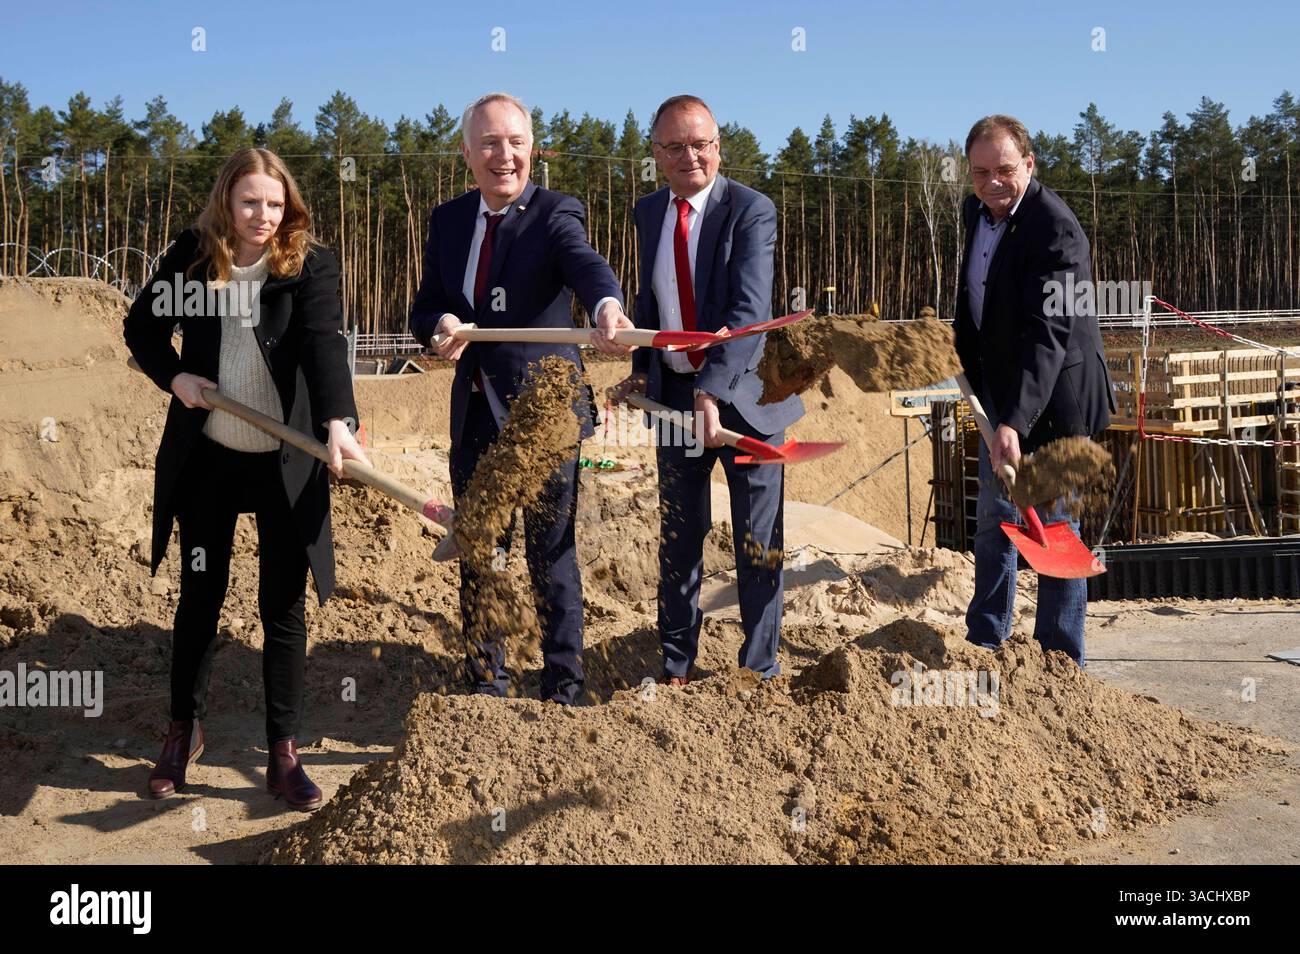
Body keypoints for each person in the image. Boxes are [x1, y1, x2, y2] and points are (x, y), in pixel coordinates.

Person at [124, 147, 369, 809]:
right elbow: (141, 327)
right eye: (249, 202)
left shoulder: (312, 264)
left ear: (288, 204)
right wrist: (175, 377)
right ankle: (182, 730)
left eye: (274, 202)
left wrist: (340, 421)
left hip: (285, 464)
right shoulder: (193, 257)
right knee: (200, 596)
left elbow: (324, 344)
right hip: (209, 458)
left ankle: (283, 752)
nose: (263, 215)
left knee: (282, 607)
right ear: (227, 203)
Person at [409, 92, 631, 704]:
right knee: (482, 549)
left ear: (532, 148)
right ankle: (488, 682)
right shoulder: (448, 221)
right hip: (477, 407)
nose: (504, 155)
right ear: (467, 152)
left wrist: (607, 304)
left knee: (550, 549)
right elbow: (425, 304)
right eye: (489, 143)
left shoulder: (555, 211)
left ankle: (565, 683)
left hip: (544, 415)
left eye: (515, 142)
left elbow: (584, 264)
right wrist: (438, 325)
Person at [609, 94, 803, 685]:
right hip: (674, 405)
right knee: (679, 541)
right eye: (676, 147)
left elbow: (747, 313)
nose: (691, 156)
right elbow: (653, 297)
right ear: (656, 155)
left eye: (702, 144)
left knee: (757, 545)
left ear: (718, 147)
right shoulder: (647, 213)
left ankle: (758, 670)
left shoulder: (751, 210)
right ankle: (676, 668)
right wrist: (644, 366)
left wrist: (712, 393)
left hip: (745, 404)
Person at [952, 114, 1116, 666]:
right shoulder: (976, 210)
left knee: (1055, 527)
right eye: (980, 172)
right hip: (999, 389)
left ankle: (1060, 663)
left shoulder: (1057, 228)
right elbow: (975, 297)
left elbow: (1051, 333)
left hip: (1059, 398)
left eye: (1004, 169)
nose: (992, 182)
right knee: (996, 519)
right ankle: (986, 641)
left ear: (1029, 164)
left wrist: (1014, 423)